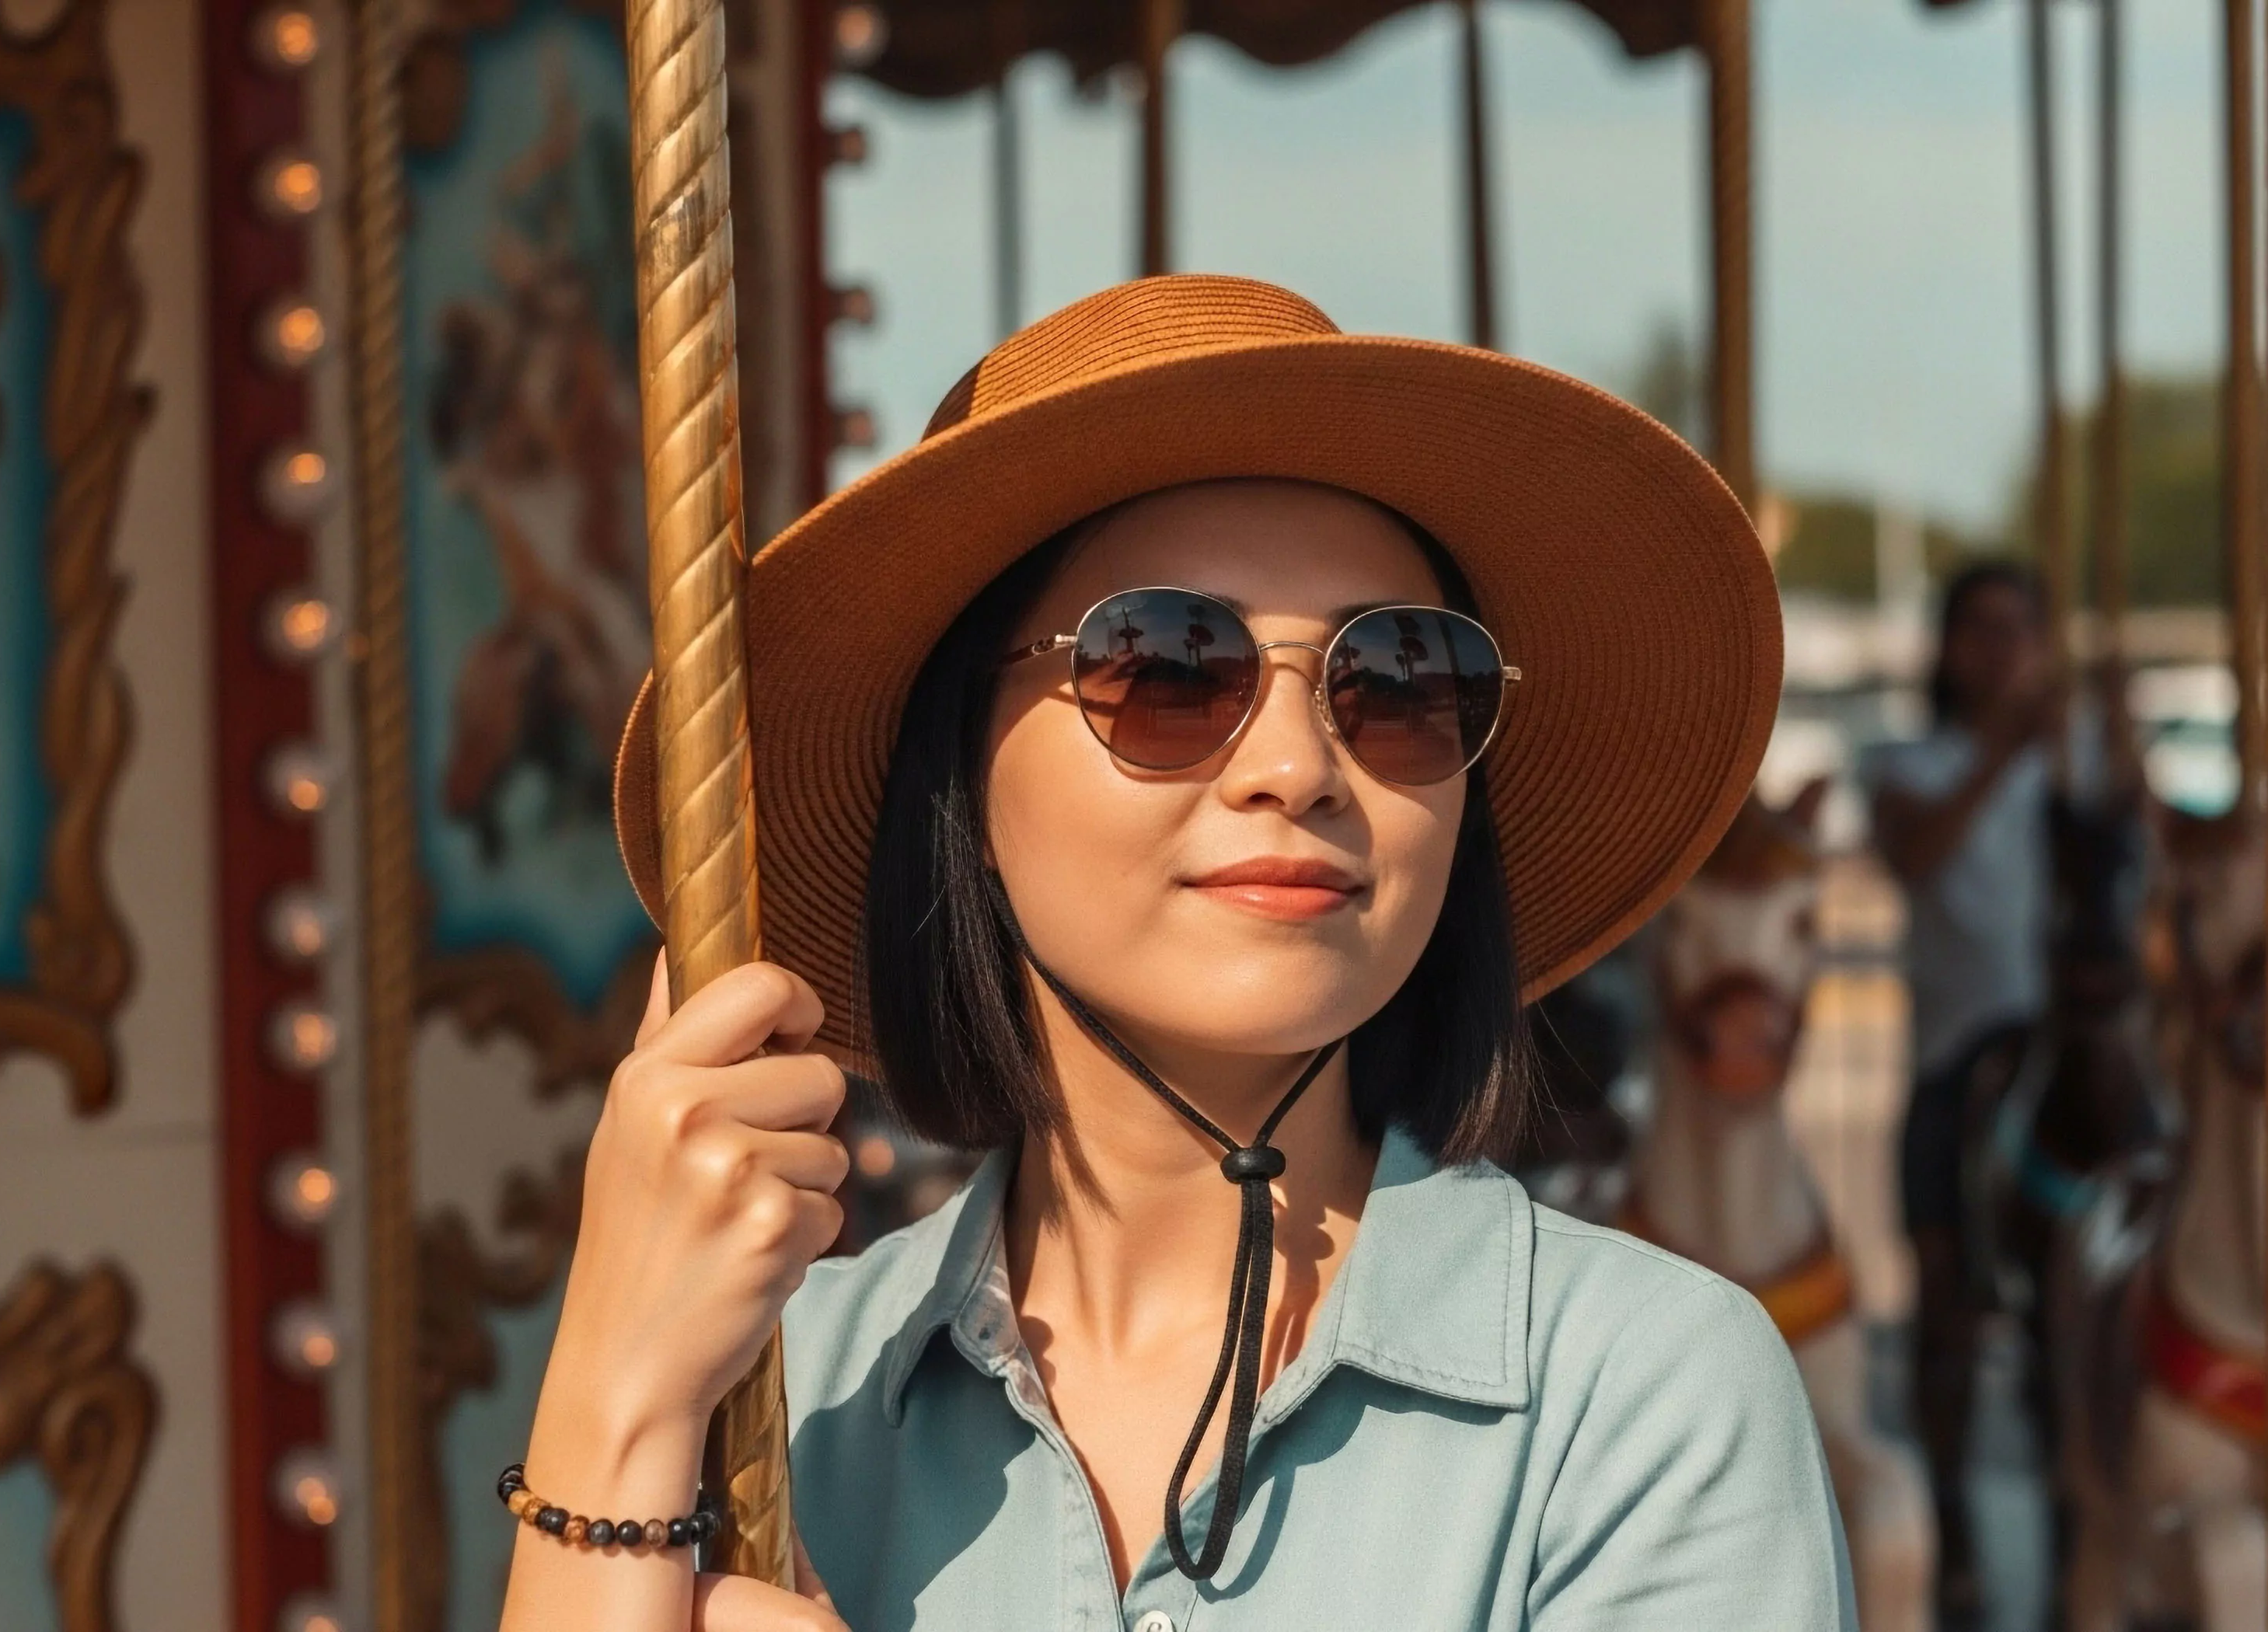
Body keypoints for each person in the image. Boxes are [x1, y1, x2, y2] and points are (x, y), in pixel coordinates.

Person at [502, 275, 1855, 1631]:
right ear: (963, 784)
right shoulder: (778, 1393)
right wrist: (612, 1388)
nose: (1293, 767)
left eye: (1395, 682)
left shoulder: (1642, 1393)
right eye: (1165, 667)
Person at [1859, 560, 2110, 1622]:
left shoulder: (2077, 754)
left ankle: (2088, 1521)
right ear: (1947, 646)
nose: (2003, 650)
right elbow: (1911, 858)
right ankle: (1953, 1518)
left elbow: (2122, 853)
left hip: (2057, 1037)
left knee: (2091, 1301)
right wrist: (2005, 750)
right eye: (1981, 629)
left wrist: (2102, 739)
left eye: (2022, 629)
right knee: (1946, 1291)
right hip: (1958, 1045)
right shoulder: (1908, 759)